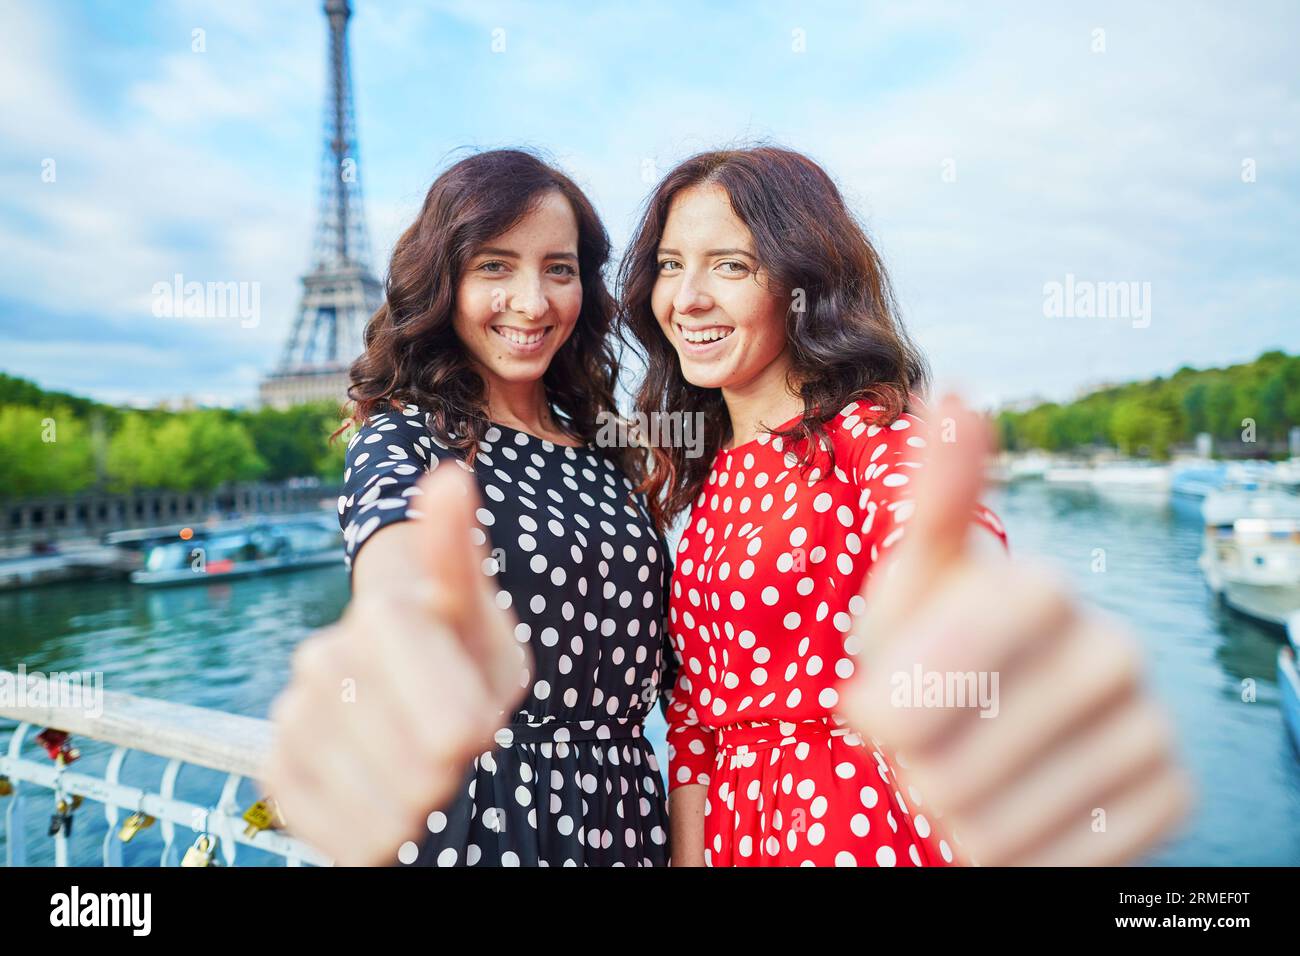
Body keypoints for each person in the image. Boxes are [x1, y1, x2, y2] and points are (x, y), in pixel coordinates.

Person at [616, 145, 1191, 866]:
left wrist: (973, 624)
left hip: (859, 828)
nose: (688, 296)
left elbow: (937, 541)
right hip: (735, 834)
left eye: (731, 265)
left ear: (804, 277)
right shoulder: (709, 482)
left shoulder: (867, 430)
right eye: (671, 264)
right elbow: (697, 730)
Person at [259, 149, 677, 867]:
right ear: (443, 282)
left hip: (629, 819)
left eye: (559, 268)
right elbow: (393, 565)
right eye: (494, 266)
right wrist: (389, 644)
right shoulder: (404, 439)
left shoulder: (610, 450)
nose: (533, 300)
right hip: (483, 823)